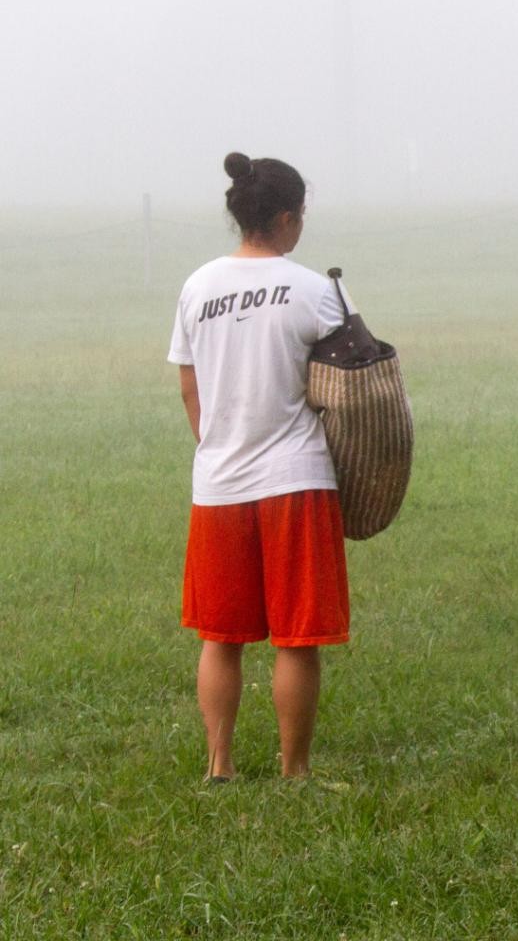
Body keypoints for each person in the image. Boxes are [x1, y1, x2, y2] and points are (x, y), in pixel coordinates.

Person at [168, 153, 352, 780]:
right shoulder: (317, 290)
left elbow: (190, 389)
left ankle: (218, 766)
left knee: (221, 636)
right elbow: (361, 385)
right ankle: (294, 771)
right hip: (297, 481)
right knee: (297, 637)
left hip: (218, 484)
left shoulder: (197, 286)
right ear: (284, 219)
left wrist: (219, 442)